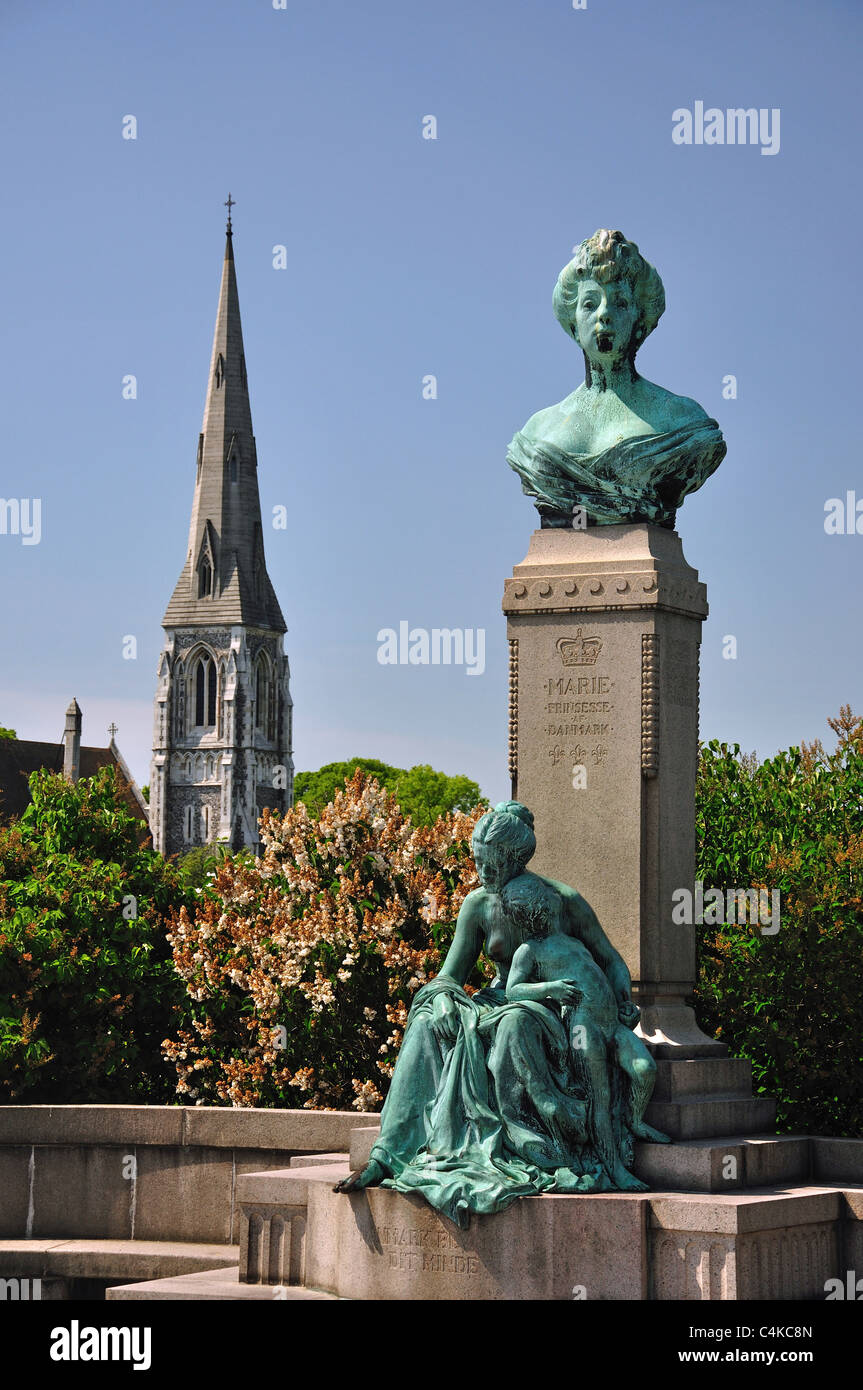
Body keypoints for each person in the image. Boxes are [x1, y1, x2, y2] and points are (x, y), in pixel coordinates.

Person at [335, 800, 665, 1223]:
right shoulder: (477, 904)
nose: (482, 873)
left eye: (490, 864)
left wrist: (622, 1001)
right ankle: (387, 1154)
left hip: (551, 1010)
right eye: (476, 861)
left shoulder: (560, 900)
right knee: (425, 1024)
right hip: (497, 998)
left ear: (515, 858)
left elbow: (610, 958)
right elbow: (450, 975)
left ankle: (533, 1142)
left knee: (515, 1022)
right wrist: (441, 999)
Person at [507, 228, 726, 527]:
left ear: (640, 322)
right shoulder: (537, 432)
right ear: (573, 325)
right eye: (590, 303)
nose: (604, 314)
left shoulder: (683, 421)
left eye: (620, 302)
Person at [504, 875, 669, 1193]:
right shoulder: (529, 950)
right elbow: (513, 990)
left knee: (645, 1070)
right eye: (547, 897)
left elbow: (604, 970)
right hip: (582, 1027)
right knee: (600, 1099)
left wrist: (625, 1001)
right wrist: (549, 988)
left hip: (611, 1022)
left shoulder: (572, 940)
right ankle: (616, 1169)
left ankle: (634, 1120)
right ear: (538, 910)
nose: (555, 899)